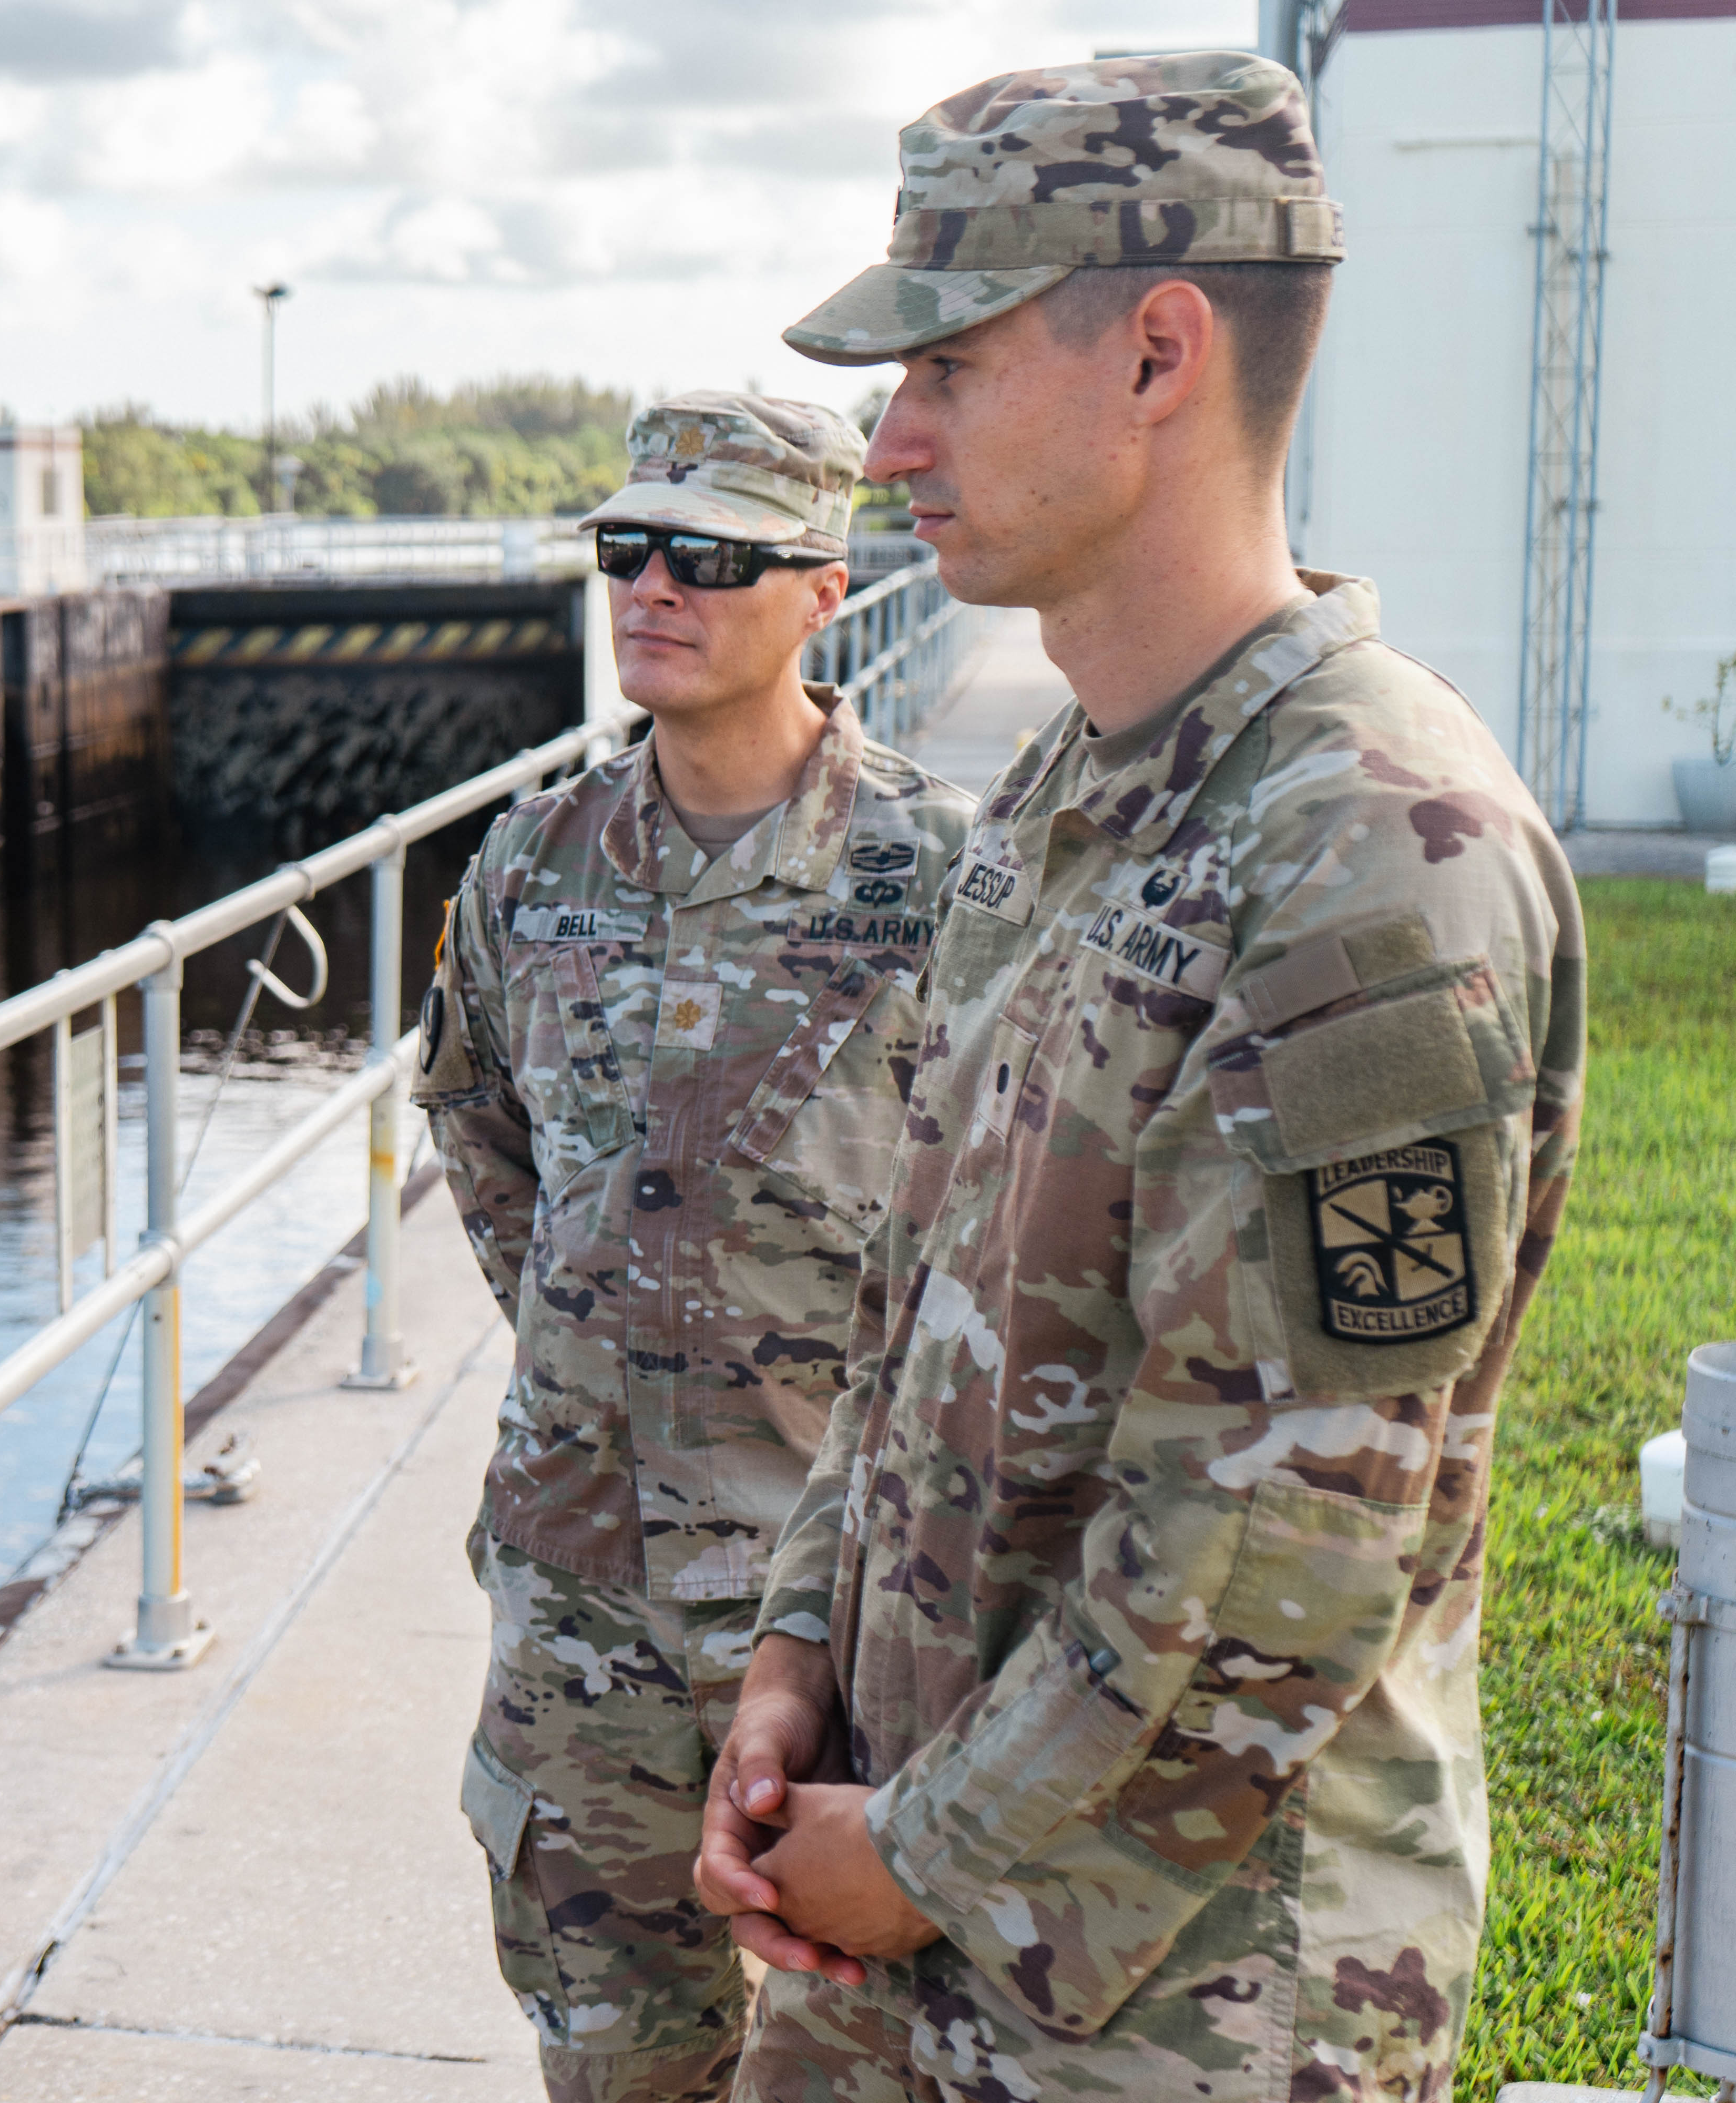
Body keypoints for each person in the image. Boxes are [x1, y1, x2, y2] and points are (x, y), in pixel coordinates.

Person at [689, 53, 1585, 2101]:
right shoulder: (1071, 794)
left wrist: (908, 1854)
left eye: (948, 364)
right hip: (905, 1927)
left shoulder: (1371, 852)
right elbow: (906, 1307)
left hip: (1180, 2006)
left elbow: (1283, 1536)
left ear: (1160, 353)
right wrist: (795, 1651)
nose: (887, 435)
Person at [412, 392, 974, 2102]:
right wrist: (590, 1344)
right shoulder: (531, 867)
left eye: (713, 555)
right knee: (614, 2064)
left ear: (822, 586)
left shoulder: (951, 877)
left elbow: (1008, 1218)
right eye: (625, 548)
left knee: (856, 2057)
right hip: (580, 1613)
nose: (652, 586)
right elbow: (478, 1119)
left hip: (843, 1616)